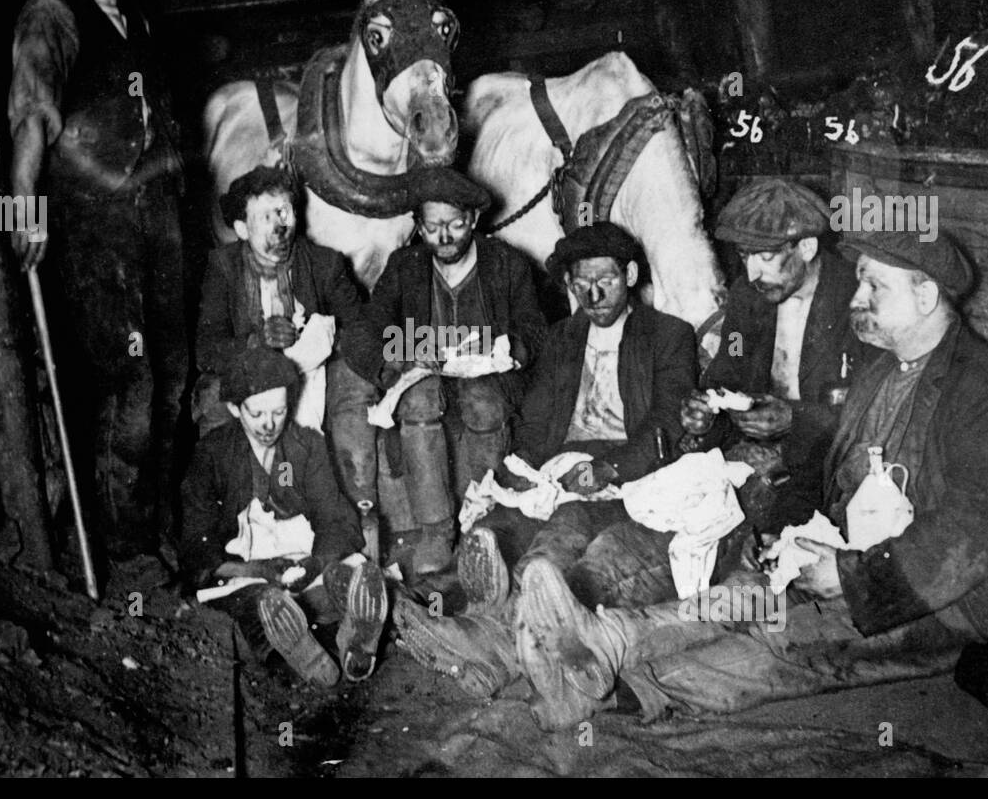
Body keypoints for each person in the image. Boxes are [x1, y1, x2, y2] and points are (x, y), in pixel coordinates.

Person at [513, 230, 988, 731]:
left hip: (941, 601)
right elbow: (838, 466)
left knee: (780, 642)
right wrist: (786, 536)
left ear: (925, 297)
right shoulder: (885, 368)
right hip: (857, 556)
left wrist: (851, 576)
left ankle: (603, 679)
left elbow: (970, 537)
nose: (856, 300)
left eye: (874, 287)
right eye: (858, 284)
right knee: (741, 598)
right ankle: (598, 648)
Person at [393, 222, 702, 699]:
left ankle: (481, 637)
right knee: (495, 531)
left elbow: (666, 422)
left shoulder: (667, 335)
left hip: (627, 475)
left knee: (559, 538)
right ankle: (421, 603)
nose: (594, 293)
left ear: (632, 274)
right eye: (581, 283)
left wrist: (611, 468)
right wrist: (515, 473)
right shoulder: (562, 339)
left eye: (607, 280)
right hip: (561, 466)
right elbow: (537, 421)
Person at [8, 0, 187, 561]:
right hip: (94, 225)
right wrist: (25, 207)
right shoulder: (53, 14)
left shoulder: (138, 20)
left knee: (173, 378)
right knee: (131, 383)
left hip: (157, 217)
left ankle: (162, 533)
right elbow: (32, 113)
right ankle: (129, 552)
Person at [359, 167, 546, 580]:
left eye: (456, 225)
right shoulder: (405, 266)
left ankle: (482, 523)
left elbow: (537, 330)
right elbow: (365, 333)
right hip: (429, 381)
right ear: (417, 227)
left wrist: (512, 348)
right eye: (431, 227)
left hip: (489, 381)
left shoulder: (506, 264)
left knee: (481, 401)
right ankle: (436, 532)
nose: (444, 238)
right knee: (419, 397)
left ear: (475, 220)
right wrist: (402, 351)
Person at [180, 347, 388, 686]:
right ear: (234, 408)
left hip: (303, 565)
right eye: (257, 413)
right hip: (246, 570)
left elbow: (336, 519)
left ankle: (354, 641)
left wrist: (316, 562)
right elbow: (195, 541)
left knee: (350, 572)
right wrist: (254, 569)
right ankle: (301, 653)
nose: (269, 424)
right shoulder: (212, 455)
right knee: (259, 602)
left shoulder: (305, 445)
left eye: (278, 412)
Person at [681, 179, 870, 531]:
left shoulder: (857, 299)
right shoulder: (747, 296)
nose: (752, 273)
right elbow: (730, 364)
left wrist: (797, 418)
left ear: (807, 247)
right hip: (754, 454)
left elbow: (873, 411)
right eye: (743, 255)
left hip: (826, 464)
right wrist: (705, 408)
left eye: (765, 257)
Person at [193, 166, 378, 524]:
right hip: (251, 385)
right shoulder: (223, 267)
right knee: (212, 399)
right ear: (242, 229)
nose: (281, 226)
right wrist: (256, 340)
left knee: (355, 387)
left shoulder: (324, 264)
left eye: (285, 212)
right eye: (266, 217)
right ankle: (236, 527)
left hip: (314, 377)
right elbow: (206, 350)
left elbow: (361, 329)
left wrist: (320, 337)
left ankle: (354, 522)